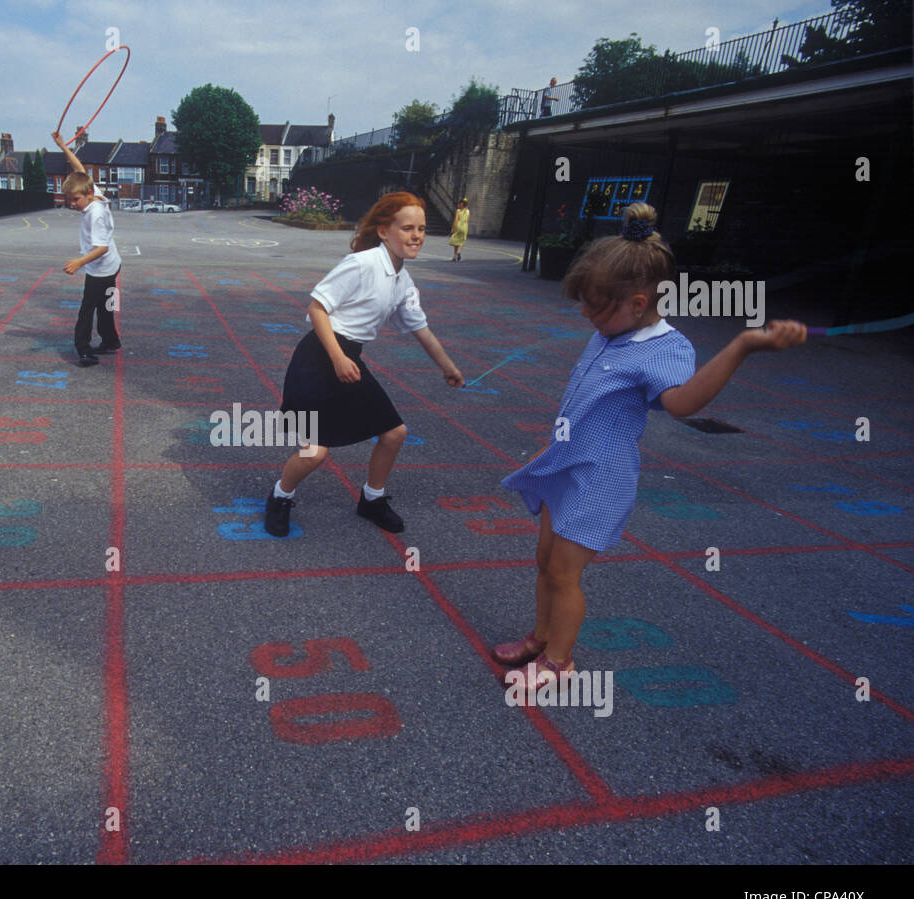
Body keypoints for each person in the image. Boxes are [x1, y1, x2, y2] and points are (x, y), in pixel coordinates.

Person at [494, 203, 807, 690]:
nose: (585, 313)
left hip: (600, 476)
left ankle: (560, 662)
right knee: (545, 560)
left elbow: (681, 404)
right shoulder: (613, 328)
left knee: (563, 570)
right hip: (566, 464)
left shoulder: (664, 348)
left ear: (638, 304)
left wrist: (742, 345)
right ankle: (540, 636)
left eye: (595, 305)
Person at [265, 192, 464, 537]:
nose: (416, 235)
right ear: (385, 231)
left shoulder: (403, 282)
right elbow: (316, 309)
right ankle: (280, 496)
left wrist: (448, 366)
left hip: (349, 358)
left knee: (394, 433)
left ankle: (372, 500)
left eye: (421, 229)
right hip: (318, 358)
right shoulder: (362, 263)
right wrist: (338, 357)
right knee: (315, 453)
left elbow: (423, 331)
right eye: (407, 228)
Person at [52, 130, 122, 367]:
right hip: (112, 264)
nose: (72, 205)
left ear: (87, 194)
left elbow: (101, 247)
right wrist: (63, 147)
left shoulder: (95, 215)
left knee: (87, 309)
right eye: (69, 200)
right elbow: (79, 169)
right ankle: (111, 340)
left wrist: (79, 262)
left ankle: (83, 350)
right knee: (105, 304)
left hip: (100, 267)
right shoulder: (95, 194)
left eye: (75, 200)